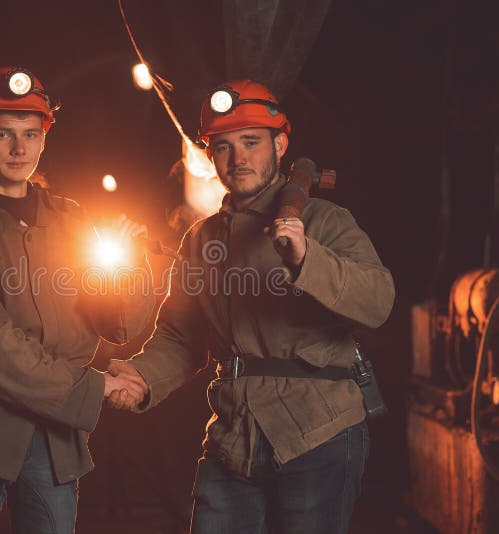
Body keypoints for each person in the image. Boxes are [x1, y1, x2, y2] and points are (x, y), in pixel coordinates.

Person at [107, 79, 395, 533]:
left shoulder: (323, 221)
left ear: (280, 144)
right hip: (233, 436)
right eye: (223, 146)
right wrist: (143, 377)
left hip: (317, 430)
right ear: (210, 155)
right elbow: (183, 337)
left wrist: (307, 258)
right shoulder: (202, 239)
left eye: (251, 142)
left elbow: (378, 302)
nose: (238, 158)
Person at [0, 66, 155, 534]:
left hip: (52, 439)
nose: (20, 149)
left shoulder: (73, 221)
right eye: (3, 134)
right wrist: (95, 385)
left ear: (44, 139)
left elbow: (118, 323)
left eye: (30, 133)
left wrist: (135, 263)